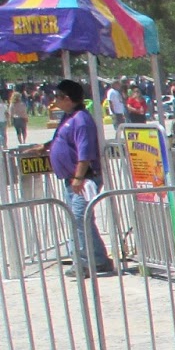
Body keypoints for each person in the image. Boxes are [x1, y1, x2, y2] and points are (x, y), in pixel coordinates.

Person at [28, 79, 113, 275]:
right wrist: (47, 146)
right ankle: (99, 259)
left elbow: (85, 152)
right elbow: (64, 139)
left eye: (57, 96)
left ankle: (84, 262)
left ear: (67, 98)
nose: (54, 100)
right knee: (81, 219)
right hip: (72, 178)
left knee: (78, 218)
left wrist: (78, 177)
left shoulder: (81, 120)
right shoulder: (69, 117)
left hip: (84, 178)